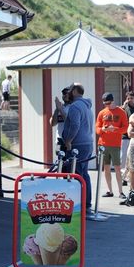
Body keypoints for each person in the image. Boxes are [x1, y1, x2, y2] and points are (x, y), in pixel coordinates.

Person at [61, 83, 94, 213]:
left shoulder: (75, 106)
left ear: (74, 91)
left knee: (77, 175)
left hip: (78, 145)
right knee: (83, 175)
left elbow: (75, 125)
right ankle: (86, 205)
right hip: (87, 144)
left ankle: (79, 206)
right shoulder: (86, 106)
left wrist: (68, 140)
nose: (67, 93)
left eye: (69, 90)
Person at [95, 92, 128, 199]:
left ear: (113, 101)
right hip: (103, 144)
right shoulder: (102, 113)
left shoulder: (121, 112)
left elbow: (125, 128)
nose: (107, 105)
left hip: (115, 144)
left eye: (109, 103)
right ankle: (110, 190)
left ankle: (121, 191)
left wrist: (115, 129)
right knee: (106, 167)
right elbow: (97, 129)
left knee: (117, 168)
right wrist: (103, 129)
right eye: (105, 103)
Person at [120, 91, 134, 185]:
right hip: (125, 136)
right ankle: (124, 178)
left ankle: (133, 178)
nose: (130, 100)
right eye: (128, 98)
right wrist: (123, 106)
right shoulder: (123, 109)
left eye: (132, 98)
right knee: (124, 158)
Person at [49, 87, 71, 152]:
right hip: (59, 141)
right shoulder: (60, 107)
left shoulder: (73, 107)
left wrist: (60, 109)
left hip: (70, 142)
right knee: (60, 158)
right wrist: (57, 109)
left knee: (70, 158)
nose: (66, 95)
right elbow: (52, 123)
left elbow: (69, 121)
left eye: (68, 93)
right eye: (64, 93)